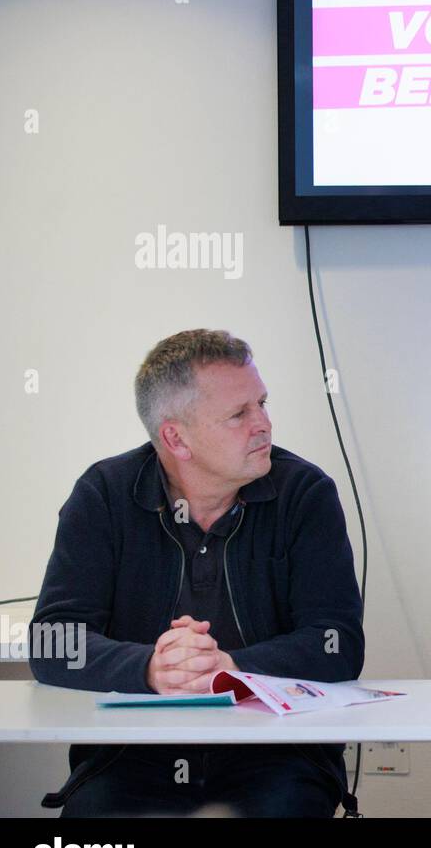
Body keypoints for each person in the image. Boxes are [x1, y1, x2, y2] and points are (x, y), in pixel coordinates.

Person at [29, 329, 365, 817]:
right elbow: (52, 641)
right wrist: (150, 668)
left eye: (263, 403)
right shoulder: (104, 494)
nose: (264, 424)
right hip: (130, 756)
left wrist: (231, 668)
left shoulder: (304, 494)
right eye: (239, 414)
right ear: (175, 438)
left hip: (276, 754)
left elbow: (338, 642)